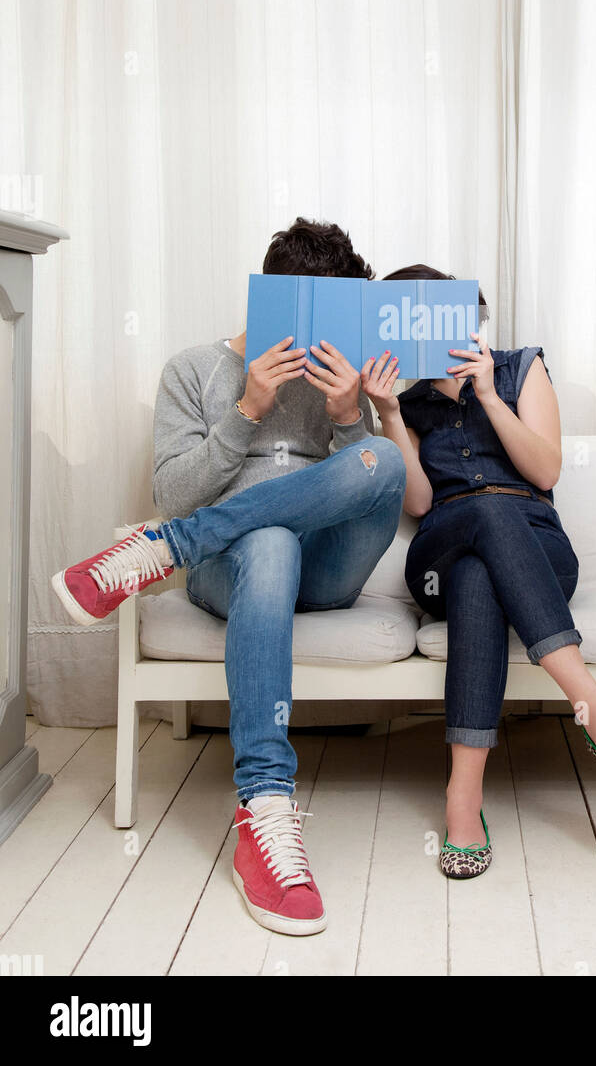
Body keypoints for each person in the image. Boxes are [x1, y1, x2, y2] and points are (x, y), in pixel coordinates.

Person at [52, 219, 406, 936]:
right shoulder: (192, 369)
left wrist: (347, 418)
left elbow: (364, 481)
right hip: (230, 575)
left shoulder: (341, 376)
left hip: (325, 568)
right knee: (270, 541)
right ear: (268, 302)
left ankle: (162, 551)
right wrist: (246, 410)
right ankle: (266, 811)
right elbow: (174, 492)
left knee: (385, 461)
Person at [359, 264, 596, 881]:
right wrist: (390, 417)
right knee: (475, 533)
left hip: (537, 552)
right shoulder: (408, 401)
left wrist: (491, 399)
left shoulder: (520, 368)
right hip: (438, 552)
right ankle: (591, 703)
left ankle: (462, 802)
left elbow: (546, 471)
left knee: (483, 571)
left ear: (469, 322)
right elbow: (417, 503)